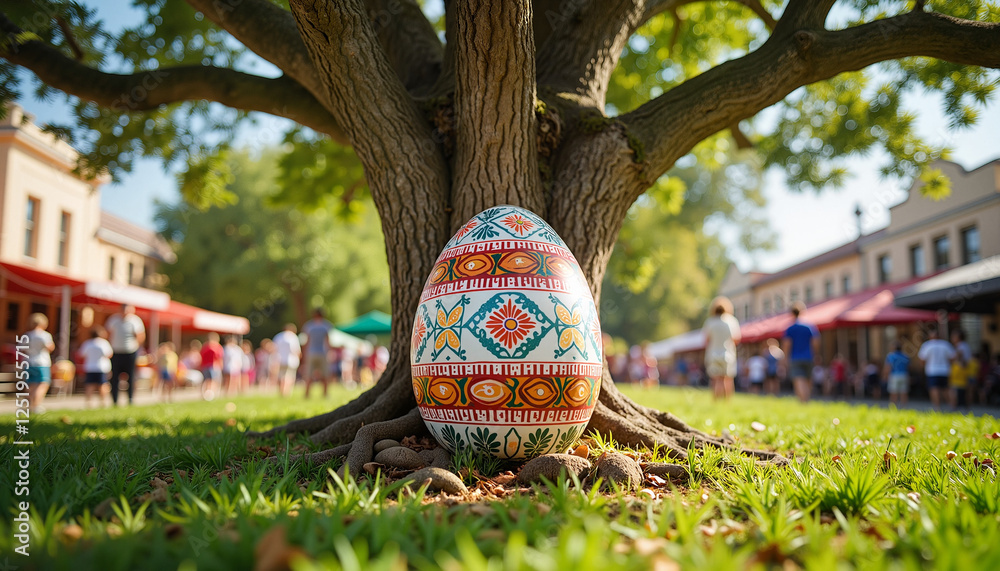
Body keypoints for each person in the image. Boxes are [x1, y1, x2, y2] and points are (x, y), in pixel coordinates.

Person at [105, 304, 146, 406]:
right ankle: (114, 400)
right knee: (114, 377)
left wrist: (135, 346)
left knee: (131, 376)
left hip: (130, 352)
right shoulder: (113, 320)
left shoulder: (135, 321)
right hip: (116, 352)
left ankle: (130, 399)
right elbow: (108, 334)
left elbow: (140, 336)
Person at [702, 296, 741, 400]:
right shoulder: (731, 321)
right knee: (727, 379)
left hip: (713, 353)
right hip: (727, 353)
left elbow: (706, 340)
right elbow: (736, 338)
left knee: (715, 380)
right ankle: (727, 401)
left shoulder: (710, 322)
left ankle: (715, 401)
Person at [783, 302, 819, 403]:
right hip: (809, 356)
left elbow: (787, 344)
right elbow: (815, 342)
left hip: (795, 357)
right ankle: (807, 399)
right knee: (808, 379)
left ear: (792, 313)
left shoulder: (790, 328)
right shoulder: (809, 327)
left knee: (798, 379)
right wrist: (815, 354)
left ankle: (803, 401)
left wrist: (785, 358)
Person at [23, 313, 55, 413]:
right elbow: (50, 347)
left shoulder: (27, 335)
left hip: (29, 362)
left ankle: (29, 406)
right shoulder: (45, 335)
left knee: (31, 385)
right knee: (43, 384)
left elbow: (22, 349)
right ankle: (36, 406)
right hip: (42, 362)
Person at [917, 328, 955, 411]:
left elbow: (922, 359)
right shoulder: (946, 344)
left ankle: (937, 407)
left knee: (934, 389)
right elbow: (952, 358)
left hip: (932, 370)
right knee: (946, 389)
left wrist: (924, 367)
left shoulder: (927, 345)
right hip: (945, 370)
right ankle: (951, 406)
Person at [302, 309, 333, 398]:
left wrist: (304, 353)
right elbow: (327, 341)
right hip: (322, 353)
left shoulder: (309, 326)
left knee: (309, 374)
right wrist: (330, 352)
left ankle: (307, 394)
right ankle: (325, 394)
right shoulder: (326, 325)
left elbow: (307, 341)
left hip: (311, 353)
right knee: (325, 375)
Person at [79, 327, 113, 408]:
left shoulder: (87, 343)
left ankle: (88, 402)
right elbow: (109, 354)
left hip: (90, 367)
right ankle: (103, 402)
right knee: (103, 385)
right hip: (102, 367)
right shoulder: (104, 343)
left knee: (89, 385)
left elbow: (81, 354)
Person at [272, 323, 301, 397]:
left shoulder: (278, 336)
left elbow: (274, 349)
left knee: (280, 376)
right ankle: (286, 392)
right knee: (289, 376)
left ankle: (281, 391)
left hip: (279, 359)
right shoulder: (292, 337)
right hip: (291, 360)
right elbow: (296, 350)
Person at [199, 332, 224, 400]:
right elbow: (219, 357)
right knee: (213, 381)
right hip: (214, 366)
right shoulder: (217, 347)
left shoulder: (204, 347)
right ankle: (211, 394)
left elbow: (201, 356)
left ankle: (204, 394)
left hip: (205, 366)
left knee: (206, 381)